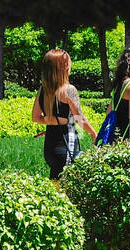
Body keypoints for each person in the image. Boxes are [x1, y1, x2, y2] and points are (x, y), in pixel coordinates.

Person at [31, 48, 96, 180]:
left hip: (49, 149)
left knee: (56, 186)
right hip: (66, 146)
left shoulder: (43, 89)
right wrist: (94, 134)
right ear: (65, 66)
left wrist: (53, 120)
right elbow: (80, 119)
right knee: (66, 188)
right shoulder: (69, 90)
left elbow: (35, 117)